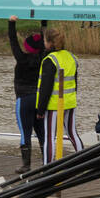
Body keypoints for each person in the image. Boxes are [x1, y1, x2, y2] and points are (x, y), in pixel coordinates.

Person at [37, 28, 83, 165]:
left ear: (50, 43)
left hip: (54, 105)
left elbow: (46, 88)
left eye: (44, 40)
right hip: (70, 101)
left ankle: (46, 167)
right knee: (72, 133)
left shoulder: (49, 60)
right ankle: (82, 161)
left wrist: (40, 110)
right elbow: (75, 82)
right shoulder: (72, 57)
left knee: (50, 136)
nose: (44, 43)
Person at [9, 16, 48, 170]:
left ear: (27, 47)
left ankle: (26, 165)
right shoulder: (43, 58)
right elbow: (44, 42)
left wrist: (11, 23)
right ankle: (47, 162)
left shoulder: (21, 58)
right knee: (41, 132)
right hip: (38, 99)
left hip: (24, 100)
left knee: (25, 132)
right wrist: (44, 23)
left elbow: (12, 40)